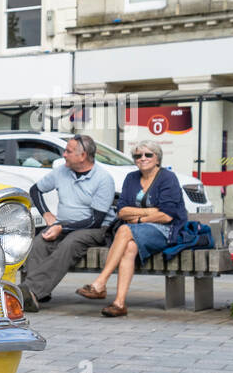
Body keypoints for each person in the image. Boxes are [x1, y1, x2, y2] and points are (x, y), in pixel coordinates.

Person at [75, 142, 188, 317]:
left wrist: (139, 218)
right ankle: (119, 303)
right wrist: (150, 211)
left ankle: (100, 282)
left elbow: (167, 216)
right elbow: (121, 211)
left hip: (166, 230)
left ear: (157, 158)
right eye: (138, 156)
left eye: (148, 155)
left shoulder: (167, 178)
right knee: (129, 247)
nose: (142, 158)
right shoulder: (131, 178)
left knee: (125, 230)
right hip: (138, 230)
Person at [19, 134, 115, 312]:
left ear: (83, 155)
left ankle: (30, 290)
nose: (63, 155)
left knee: (71, 243)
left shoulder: (103, 179)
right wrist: (47, 214)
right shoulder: (61, 171)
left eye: (68, 151)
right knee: (39, 242)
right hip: (63, 225)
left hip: (95, 229)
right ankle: (41, 294)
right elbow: (36, 190)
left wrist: (61, 227)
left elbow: (96, 220)